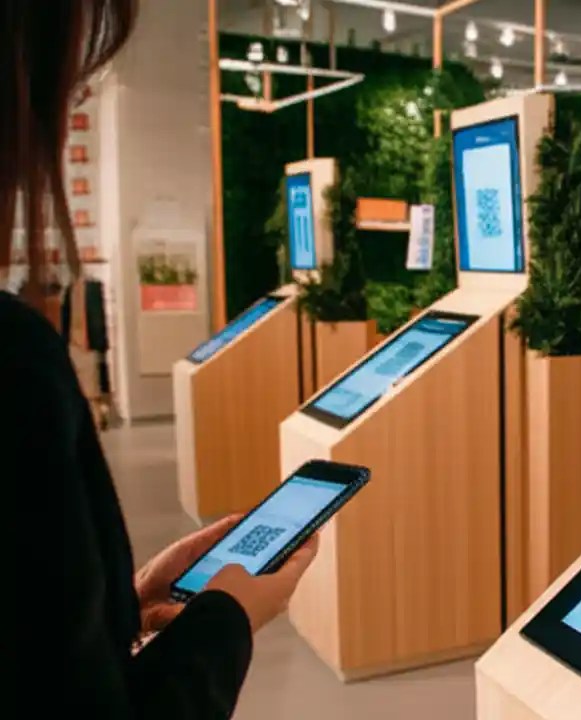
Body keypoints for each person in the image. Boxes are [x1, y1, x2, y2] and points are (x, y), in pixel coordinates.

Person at [0, 2, 318, 717]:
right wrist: (229, 613)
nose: (75, 103)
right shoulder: (15, 366)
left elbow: (34, 647)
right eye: (72, 81)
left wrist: (123, 597)